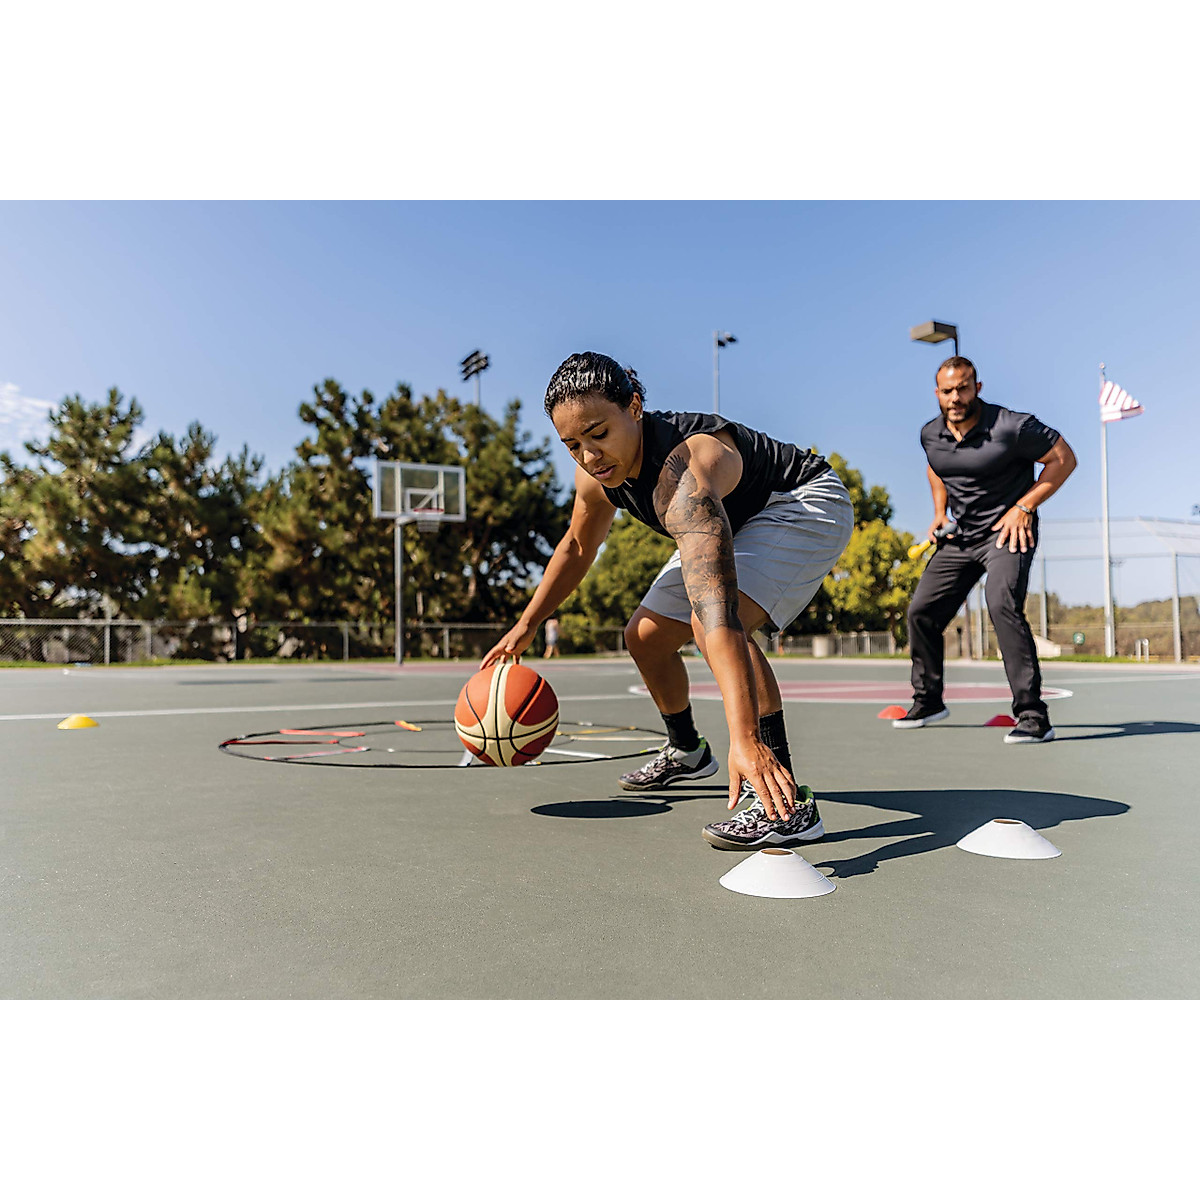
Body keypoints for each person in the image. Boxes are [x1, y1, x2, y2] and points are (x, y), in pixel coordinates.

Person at [481, 351, 853, 849]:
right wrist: (528, 622)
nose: (589, 456)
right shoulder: (596, 477)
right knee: (645, 637)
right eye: (572, 444)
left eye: (598, 433)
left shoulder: (686, 474)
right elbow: (576, 546)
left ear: (634, 406)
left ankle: (786, 805)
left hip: (800, 504)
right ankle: (688, 751)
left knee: (710, 623)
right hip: (724, 524)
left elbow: (719, 615)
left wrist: (744, 738)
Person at [895, 356, 1077, 743]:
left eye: (963, 387)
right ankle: (928, 701)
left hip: (1008, 532)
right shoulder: (930, 434)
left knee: (1001, 604)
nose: (956, 397)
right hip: (961, 536)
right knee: (921, 611)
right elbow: (936, 467)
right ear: (937, 394)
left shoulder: (1012, 426)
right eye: (948, 390)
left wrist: (1024, 507)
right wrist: (939, 512)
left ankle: (1033, 716)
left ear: (977, 388)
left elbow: (1063, 458)